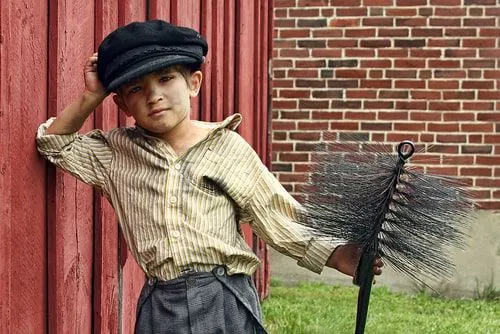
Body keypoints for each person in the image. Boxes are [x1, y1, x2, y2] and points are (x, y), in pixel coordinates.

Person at [36, 20, 383, 334]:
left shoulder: (226, 147)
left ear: (194, 83)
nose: (154, 95)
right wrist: (90, 96)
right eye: (136, 89)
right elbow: (55, 144)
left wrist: (336, 255)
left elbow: (275, 214)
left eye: (165, 78)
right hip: (161, 301)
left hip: (224, 296)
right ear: (123, 105)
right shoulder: (116, 153)